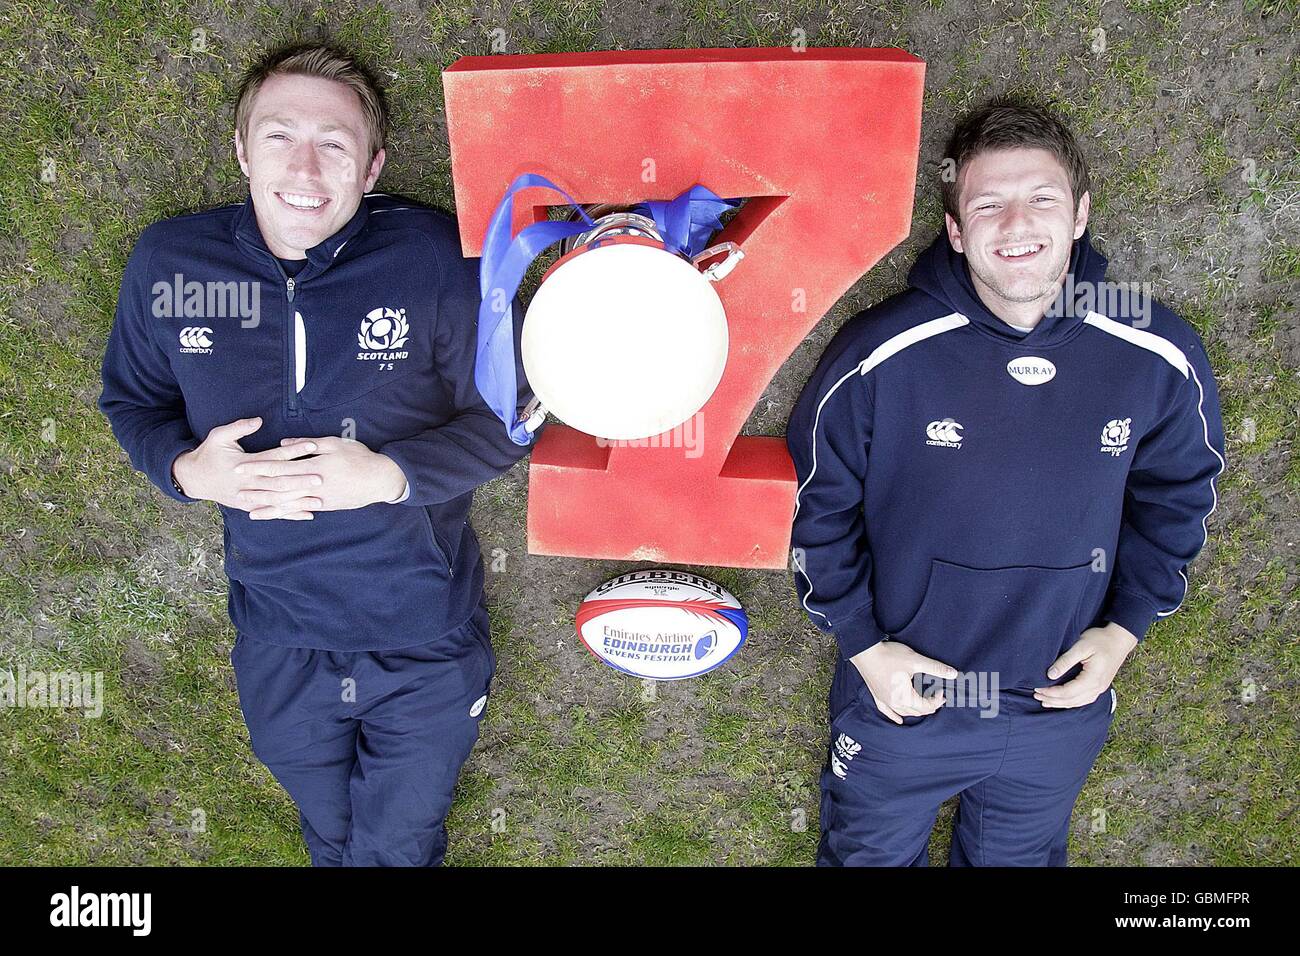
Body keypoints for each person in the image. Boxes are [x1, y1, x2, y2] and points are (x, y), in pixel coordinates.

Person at [99, 43, 533, 865]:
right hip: (276, 636)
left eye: (333, 143)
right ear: (240, 149)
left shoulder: (435, 259)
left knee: (397, 841)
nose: (303, 165)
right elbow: (132, 403)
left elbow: (510, 419)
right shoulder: (171, 265)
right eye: (277, 135)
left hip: (423, 635)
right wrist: (189, 471)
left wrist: (391, 476)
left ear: (371, 168)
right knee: (330, 833)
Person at [787, 97, 1226, 866]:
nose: (1017, 225)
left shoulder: (1156, 351)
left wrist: (1125, 633)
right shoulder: (880, 354)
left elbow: (1180, 499)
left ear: (1081, 214)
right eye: (989, 204)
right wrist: (864, 649)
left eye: (1042, 199)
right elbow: (811, 507)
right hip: (903, 702)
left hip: (1055, 710)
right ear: (956, 230)